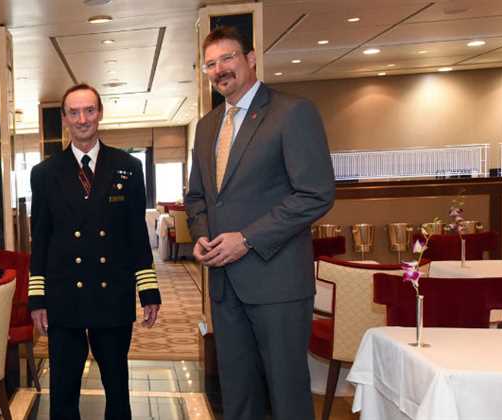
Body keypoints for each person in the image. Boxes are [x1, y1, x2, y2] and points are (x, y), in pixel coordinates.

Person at [185, 26, 335, 420]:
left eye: (228, 58)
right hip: (223, 283)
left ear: (251, 59)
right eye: (211, 64)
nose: (220, 70)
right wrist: (201, 236)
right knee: (237, 393)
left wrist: (248, 239)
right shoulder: (206, 127)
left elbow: (315, 193)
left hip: (277, 282)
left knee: (287, 393)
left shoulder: (292, 112)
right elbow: (197, 197)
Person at [28, 83, 162, 420]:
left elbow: (136, 234)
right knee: (63, 391)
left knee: (117, 387)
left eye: (89, 110)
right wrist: (37, 299)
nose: (82, 118)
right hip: (64, 297)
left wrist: (148, 290)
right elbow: (40, 239)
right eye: (74, 112)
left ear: (100, 113)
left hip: (112, 294)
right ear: (64, 118)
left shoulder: (128, 167)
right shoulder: (44, 173)